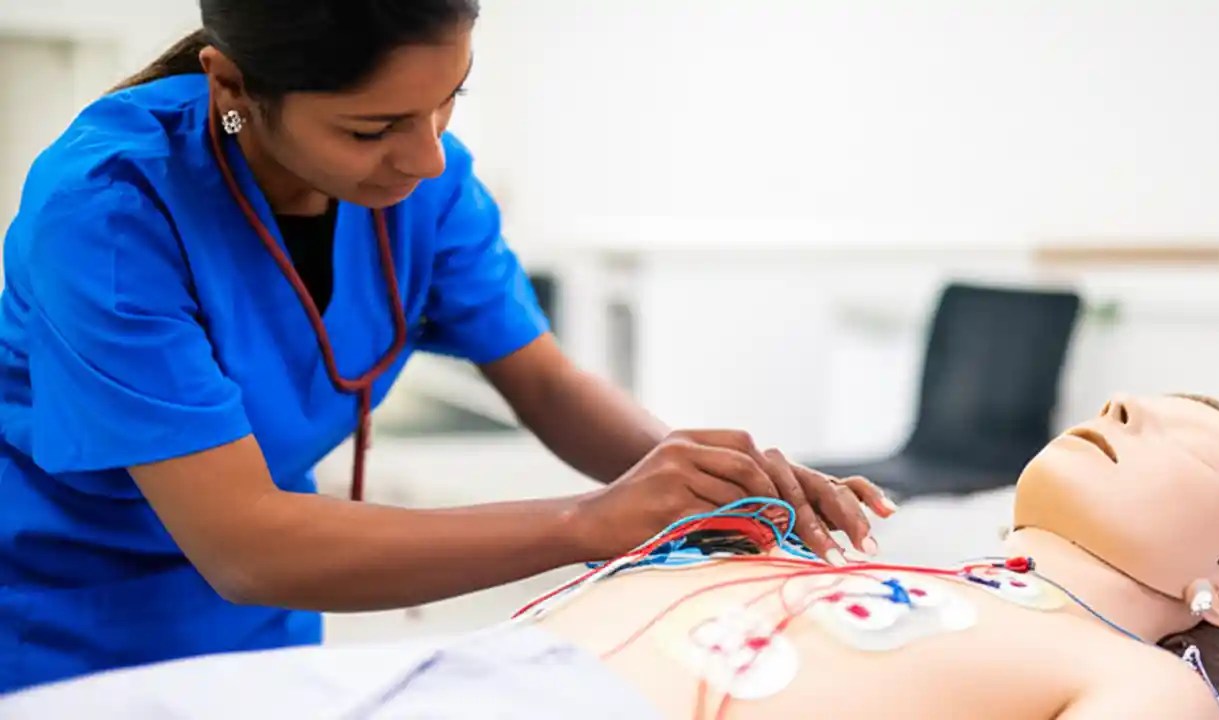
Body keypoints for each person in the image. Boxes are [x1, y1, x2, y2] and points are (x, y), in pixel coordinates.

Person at [0, 0, 896, 695]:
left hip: (271, 603)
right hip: (65, 615)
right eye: (372, 128)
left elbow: (543, 381)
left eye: (448, 101)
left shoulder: (423, 180)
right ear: (231, 89)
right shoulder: (108, 211)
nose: (427, 158)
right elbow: (245, 545)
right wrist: (590, 523)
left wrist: (704, 481)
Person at [2, 392, 1219, 719]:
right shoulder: (946, 576)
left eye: (1188, 426)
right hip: (424, 677)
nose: (1124, 408)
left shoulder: (1143, 677)